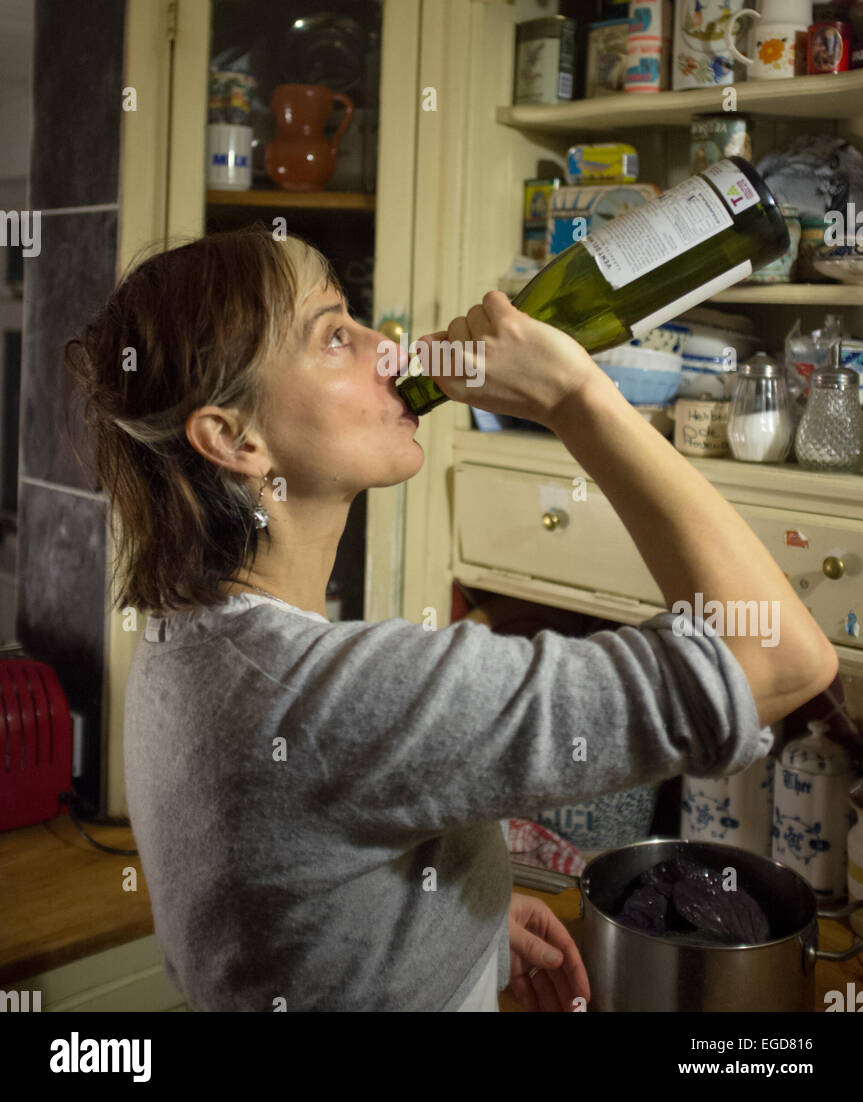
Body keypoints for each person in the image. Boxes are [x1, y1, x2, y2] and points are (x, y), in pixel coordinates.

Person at [66, 223, 838, 1013]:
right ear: (234, 437)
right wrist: (576, 399)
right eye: (335, 336)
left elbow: (286, 882)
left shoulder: (184, 635)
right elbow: (780, 658)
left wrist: (458, 918)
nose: (393, 351)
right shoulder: (337, 696)